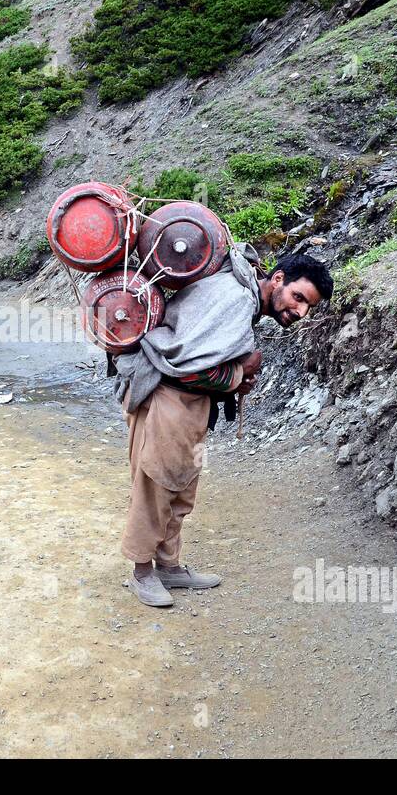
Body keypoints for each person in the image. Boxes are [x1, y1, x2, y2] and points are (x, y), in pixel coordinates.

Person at [112, 250, 334, 607]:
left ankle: (168, 565)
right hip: (166, 400)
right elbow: (183, 365)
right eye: (298, 298)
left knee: (181, 487)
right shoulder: (235, 300)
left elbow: (206, 357)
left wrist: (235, 378)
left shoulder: (244, 299)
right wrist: (236, 375)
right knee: (155, 485)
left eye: (308, 306)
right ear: (277, 279)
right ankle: (142, 572)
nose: (300, 312)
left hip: (192, 406)